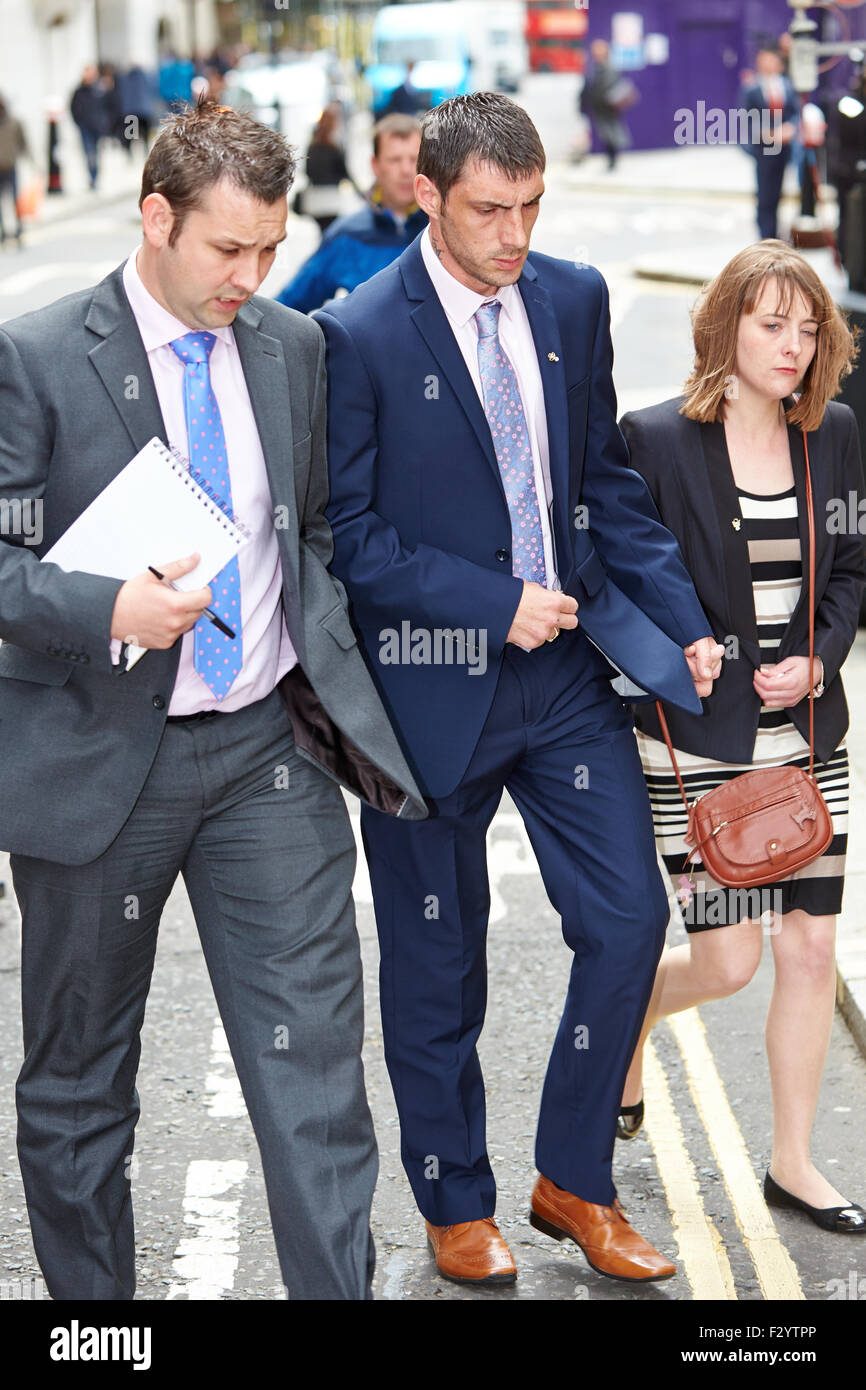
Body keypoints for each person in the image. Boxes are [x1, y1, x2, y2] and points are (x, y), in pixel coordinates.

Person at [0, 99, 425, 1302]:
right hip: (97, 765)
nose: (250, 276)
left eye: (270, 248)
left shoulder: (293, 346)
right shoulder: (34, 356)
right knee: (79, 1085)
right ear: (156, 218)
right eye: (226, 248)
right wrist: (109, 610)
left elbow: (313, 531)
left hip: (262, 756)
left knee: (316, 1074)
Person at [315, 92, 724, 1288]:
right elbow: (351, 538)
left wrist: (679, 622)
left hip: (563, 680)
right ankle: (454, 1201)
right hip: (424, 695)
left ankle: (572, 1180)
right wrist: (492, 603)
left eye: (530, 206)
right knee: (436, 961)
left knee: (629, 919)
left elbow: (601, 484)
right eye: (489, 210)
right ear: (426, 196)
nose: (513, 234)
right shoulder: (356, 333)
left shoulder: (571, 297)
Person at [618, 242, 866, 1236]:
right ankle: (630, 1015)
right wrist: (671, 654)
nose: (792, 346)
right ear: (724, 326)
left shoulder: (831, 433)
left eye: (807, 329)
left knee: (808, 948)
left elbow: (852, 567)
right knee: (726, 963)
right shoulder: (655, 441)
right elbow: (622, 578)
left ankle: (793, 1163)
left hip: (806, 737)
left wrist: (819, 659)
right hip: (700, 744)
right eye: (771, 325)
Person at [277, 114, 425, 314]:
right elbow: (288, 304)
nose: (406, 170)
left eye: (414, 159)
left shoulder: (443, 230)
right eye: (395, 160)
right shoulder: (347, 236)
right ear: (375, 165)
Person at [739, 48, 799, 241]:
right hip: (764, 150)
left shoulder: (788, 86)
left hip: (784, 149)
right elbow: (745, 117)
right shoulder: (752, 89)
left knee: (778, 194)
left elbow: (796, 112)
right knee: (765, 196)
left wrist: (790, 128)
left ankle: (776, 235)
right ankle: (766, 238)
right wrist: (765, 133)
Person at [294, 103, 359, 236]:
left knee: (323, 234)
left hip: (316, 201)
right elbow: (345, 173)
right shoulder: (334, 147)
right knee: (331, 234)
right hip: (331, 199)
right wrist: (360, 192)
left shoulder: (313, 145)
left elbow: (307, 172)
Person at [580, 39, 637, 171]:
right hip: (600, 107)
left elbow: (604, 87)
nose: (595, 54)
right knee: (607, 134)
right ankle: (611, 160)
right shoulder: (597, 67)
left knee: (610, 133)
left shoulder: (608, 68)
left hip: (607, 107)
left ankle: (613, 160)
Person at [70, 64, 108, 189]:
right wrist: (80, 123)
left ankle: (96, 176)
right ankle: (93, 178)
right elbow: (74, 109)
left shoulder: (99, 90)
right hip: (85, 128)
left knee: (97, 153)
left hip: (98, 127)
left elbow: (107, 106)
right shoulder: (79, 91)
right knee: (89, 153)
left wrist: (104, 122)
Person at [0, 94, 30, 248]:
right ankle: (3, 233)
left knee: (15, 200)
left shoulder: (14, 122)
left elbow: (23, 143)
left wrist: (32, 163)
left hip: (10, 167)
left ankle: (18, 229)